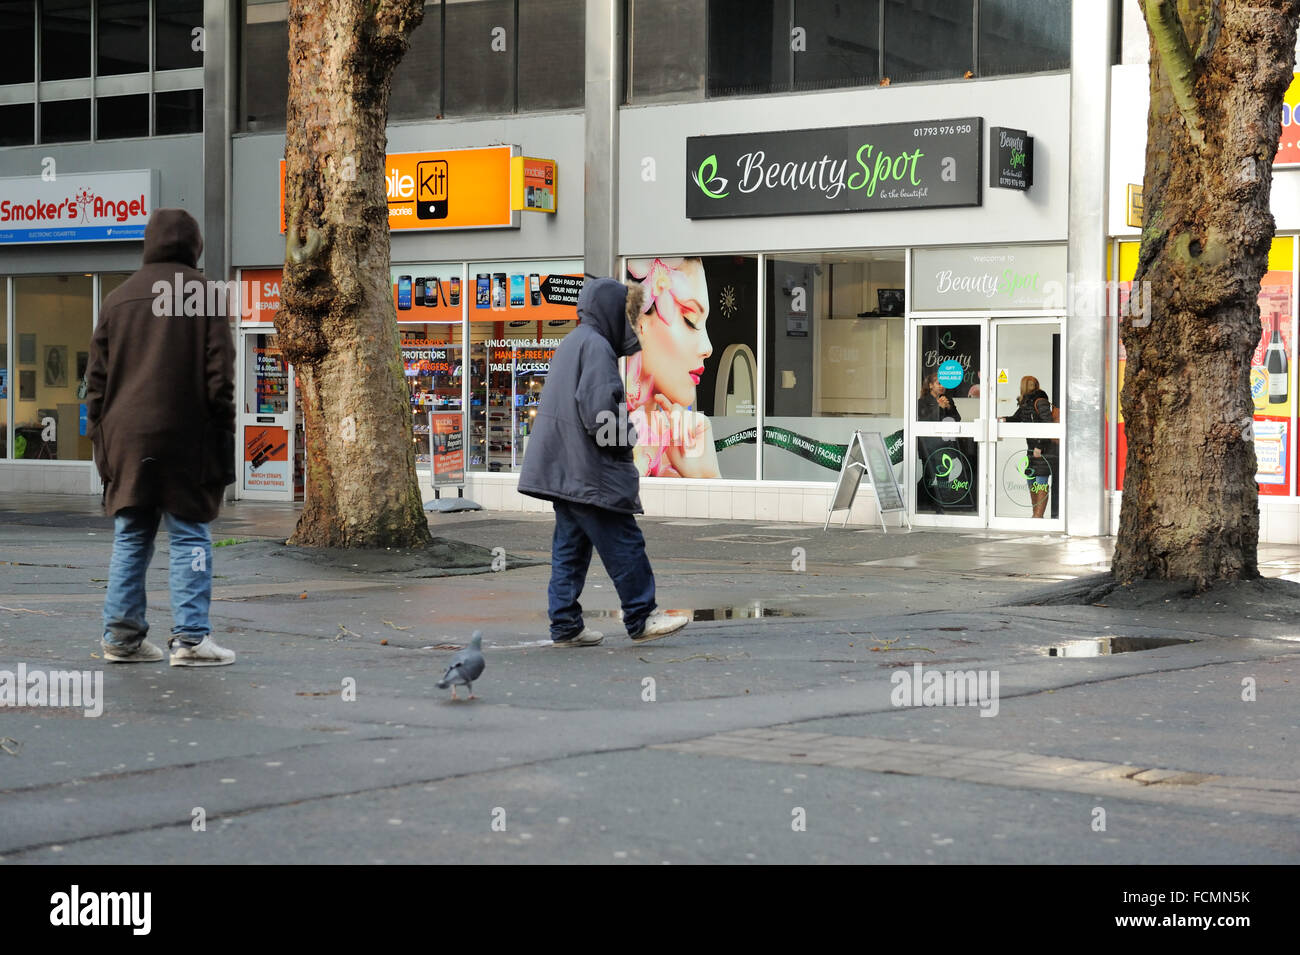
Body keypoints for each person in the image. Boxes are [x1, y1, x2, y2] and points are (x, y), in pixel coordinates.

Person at [85, 208, 237, 666]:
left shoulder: (116, 300)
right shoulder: (204, 294)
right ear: (195, 246)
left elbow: (95, 383)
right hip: (186, 435)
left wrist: (101, 435)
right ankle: (190, 640)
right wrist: (221, 429)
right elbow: (220, 379)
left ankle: (122, 639)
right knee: (189, 533)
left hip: (127, 437)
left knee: (131, 534)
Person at [518, 276, 690, 647]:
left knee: (571, 548)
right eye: (628, 315)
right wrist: (627, 440)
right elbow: (600, 412)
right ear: (614, 312)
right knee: (624, 542)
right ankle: (641, 616)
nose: (629, 325)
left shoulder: (574, 341)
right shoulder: (596, 347)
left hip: (564, 469)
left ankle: (565, 625)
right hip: (590, 471)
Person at [624, 257, 721, 478]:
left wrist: (706, 475)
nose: (708, 348)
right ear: (638, 324)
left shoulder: (672, 441)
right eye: (690, 320)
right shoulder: (602, 427)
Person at [1006, 375, 1056, 519]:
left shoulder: (1040, 401)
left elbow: (1048, 425)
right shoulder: (1025, 403)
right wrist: (1002, 419)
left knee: (1041, 482)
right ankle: (1035, 514)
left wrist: (1039, 446)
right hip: (1032, 449)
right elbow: (1017, 418)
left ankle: (1038, 517)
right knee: (1031, 481)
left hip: (1043, 450)